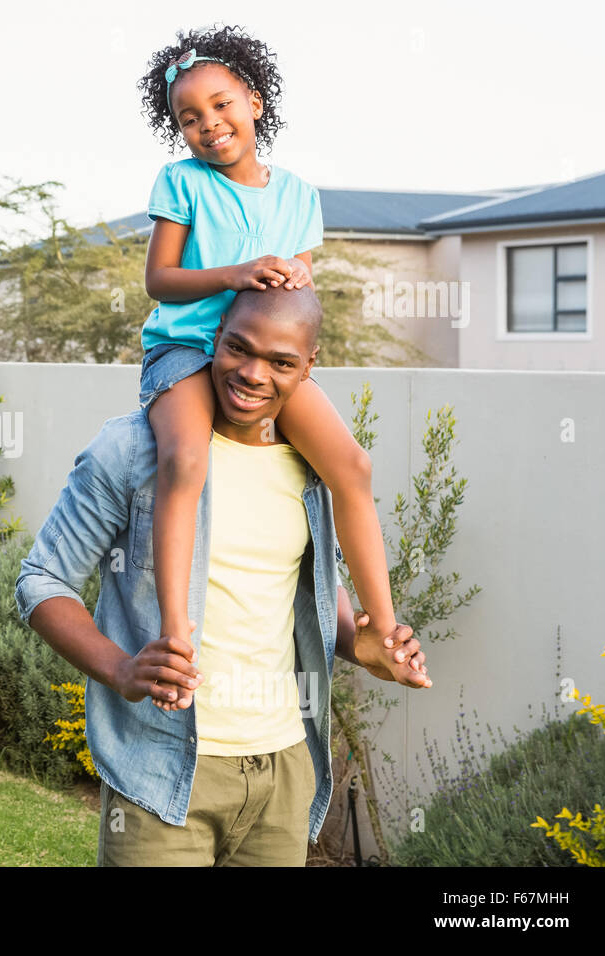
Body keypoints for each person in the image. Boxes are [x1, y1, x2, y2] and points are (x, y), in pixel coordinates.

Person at [16, 286, 432, 866]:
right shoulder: (133, 448)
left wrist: (356, 642)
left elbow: (304, 582)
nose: (253, 374)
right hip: (163, 773)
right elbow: (42, 580)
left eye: (282, 362)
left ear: (309, 367)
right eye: (239, 348)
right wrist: (121, 669)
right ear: (214, 339)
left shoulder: (313, 466)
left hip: (283, 771)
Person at [133, 25, 399, 713]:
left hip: (261, 360)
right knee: (185, 461)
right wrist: (237, 272)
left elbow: (300, 290)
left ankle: (381, 623)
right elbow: (160, 280)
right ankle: (174, 634)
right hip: (190, 351)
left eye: (221, 105)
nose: (208, 125)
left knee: (352, 466)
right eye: (188, 118)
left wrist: (291, 292)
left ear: (253, 100)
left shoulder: (299, 195)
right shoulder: (180, 182)